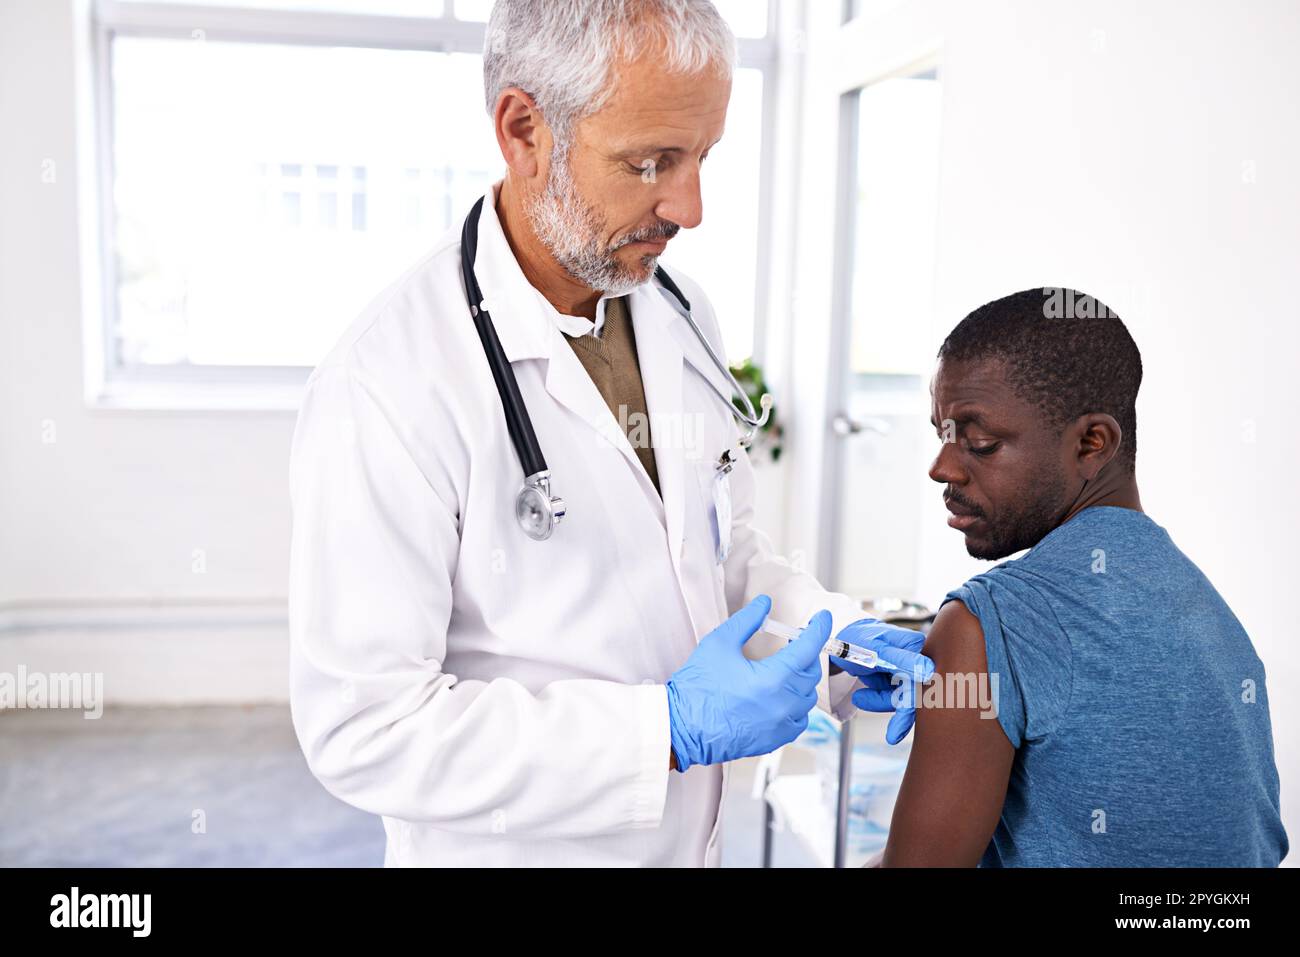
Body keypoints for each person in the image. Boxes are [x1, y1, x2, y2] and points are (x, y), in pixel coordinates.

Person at [287, 0, 929, 868]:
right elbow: (368, 727)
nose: (691, 206)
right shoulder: (390, 380)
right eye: (652, 161)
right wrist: (661, 728)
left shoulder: (676, 307)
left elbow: (716, 553)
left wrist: (837, 633)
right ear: (524, 130)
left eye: (704, 156)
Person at [877, 287, 1288, 867]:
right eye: (941, 433)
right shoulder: (1213, 618)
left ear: (1093, 444)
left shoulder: (987, 623)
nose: (942, 467)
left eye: (980, 443)